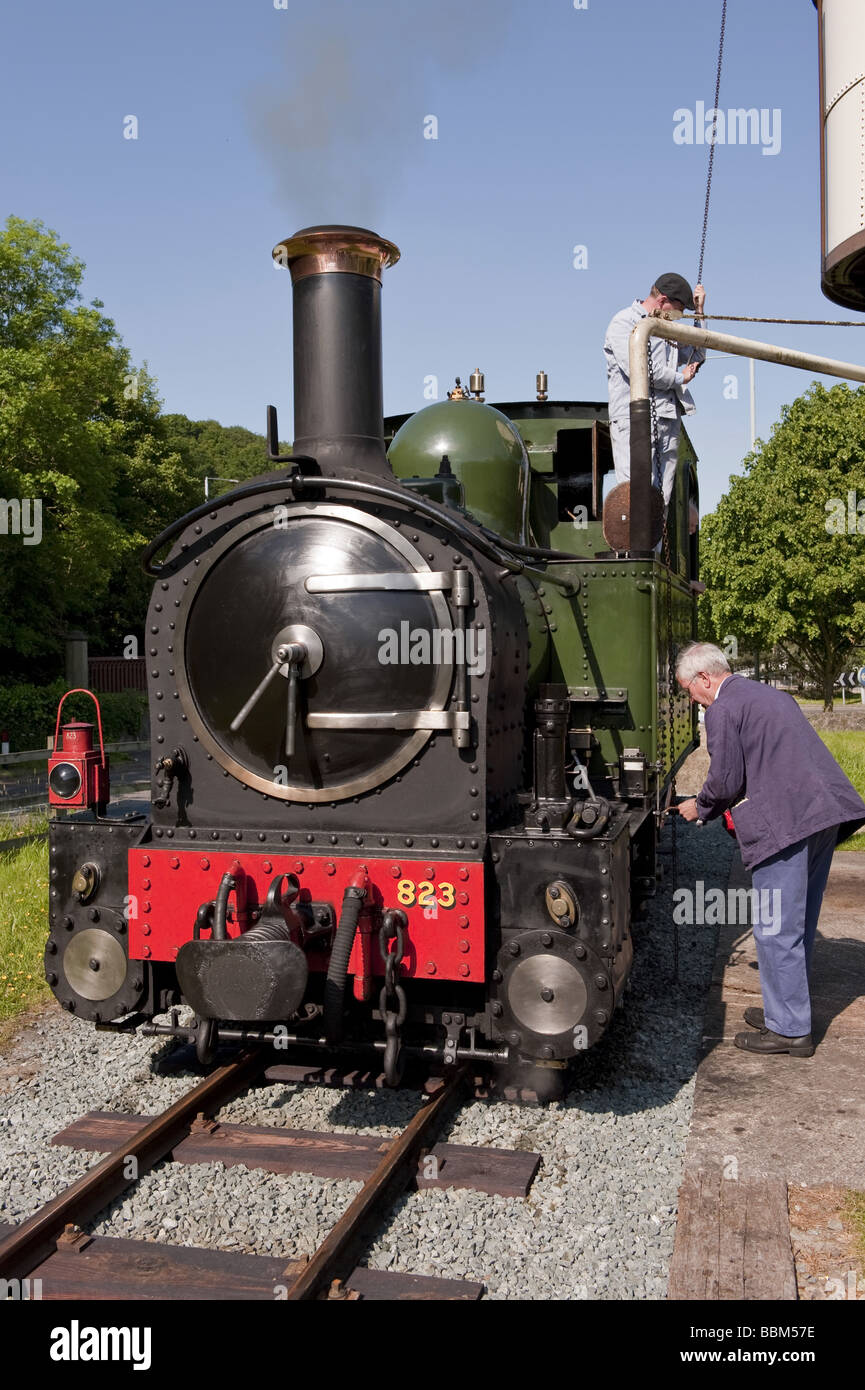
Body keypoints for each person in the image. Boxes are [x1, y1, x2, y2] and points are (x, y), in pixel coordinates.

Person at [675, 642, 865, 1056]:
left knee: (774, 928)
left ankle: (790, 1030)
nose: (692, 699)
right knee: (796, 921)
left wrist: (699, 806)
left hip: (787, 824)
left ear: (705, 677)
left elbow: (724, 779)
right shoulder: (769, 694)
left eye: (689, 689)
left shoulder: (723, 708)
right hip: (821, 816)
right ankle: (786, 1009)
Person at [603, 274, 707, 505]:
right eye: (679, 311)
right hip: (634, 420)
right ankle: (632, 542)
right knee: (637, 497)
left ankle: (654, 543)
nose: (678, 318)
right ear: (663, 301)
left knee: (661, 503)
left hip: (667, 419)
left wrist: (699, 312)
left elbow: (697, 354)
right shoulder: (624, 323)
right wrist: (679, 378)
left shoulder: (667, 327)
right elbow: (637, 368)